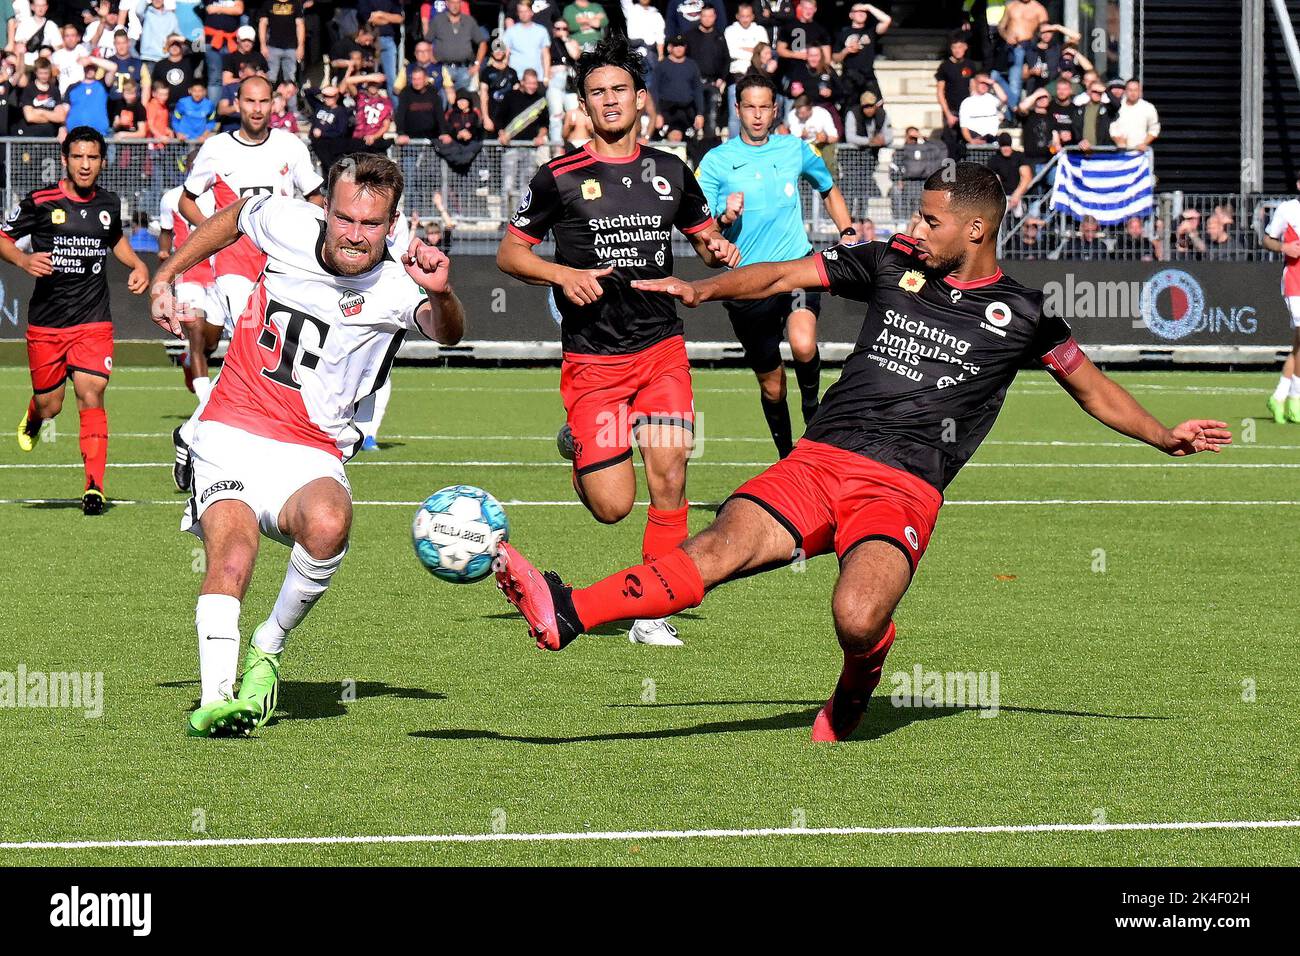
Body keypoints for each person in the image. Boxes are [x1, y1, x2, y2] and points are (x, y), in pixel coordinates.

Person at [493, 162, 1232, 741]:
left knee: (855, 617)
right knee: (717, 547)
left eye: (931, 219)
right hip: (819, 460)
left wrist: (1165, 435)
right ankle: (569, 613)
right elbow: (785, 275)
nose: (916, 226)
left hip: (904, 486)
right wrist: (702, 290)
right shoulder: (888, 262)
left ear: (975, 231)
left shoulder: (1028, 315)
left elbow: (1093, 389)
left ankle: (859, 680)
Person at [149, 153, 465, 736]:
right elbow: (236, 214)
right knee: (233, 558)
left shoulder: (398, 284)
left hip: (311, 447)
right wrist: (168, 274)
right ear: (326, 210)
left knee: (328, 522)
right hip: (231, 429)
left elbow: (447, 333)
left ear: (392, 226)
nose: (355, 235)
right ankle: (218, 701)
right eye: (345, 218)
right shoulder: (290, 223)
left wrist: (443, 295)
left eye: (372, 225)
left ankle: (267, 648)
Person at [496, 34, 740, 647]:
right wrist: (561, 274)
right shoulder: (559, 176)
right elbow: (509, 252)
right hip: (594, 362)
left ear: (639, 99)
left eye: (619, 90)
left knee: (672, 470)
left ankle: (650, 612)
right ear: (583, 105)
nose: (609, 100)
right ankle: (578, 450)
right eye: (597, 92)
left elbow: (704, 236)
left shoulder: (671, 171)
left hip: (660, 348)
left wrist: (716, 248)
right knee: (612, 506)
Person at [172, 75, 325, 491]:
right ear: (236, 102)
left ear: (274, 103)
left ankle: (191, 433)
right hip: (235, 266)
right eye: (249, 101)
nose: (257, 109)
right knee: (259, 348)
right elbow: (188, 198)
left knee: (265, 358)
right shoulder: (217, 149)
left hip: (281, 265)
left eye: (264, 101)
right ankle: (252, 444)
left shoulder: (290, 147)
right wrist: (216, 231)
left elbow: (314, 196)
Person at [697, 71, 852, 457]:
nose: (757, 115)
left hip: (797, 268)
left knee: (803, 344)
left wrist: (847, 230)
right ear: (737, 109)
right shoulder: (717, 162)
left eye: (764, 107)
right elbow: (701, 231)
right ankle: (788, 457)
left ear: (775, 110)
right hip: (747, 283)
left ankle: (813, 411)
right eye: (749, 106)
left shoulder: (795, 149)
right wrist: (724, 221)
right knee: (772, 386)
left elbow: (828, 189)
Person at [3, 127, 149, 514]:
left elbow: (114, 237)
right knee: (52, 406)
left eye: (93, 158)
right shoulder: (40, 200)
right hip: (47, 324)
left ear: (103, 161)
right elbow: (2, 236)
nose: (86, 165)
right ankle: (36, 413)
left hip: (93, 320)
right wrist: (22, 259)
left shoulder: (109, 202)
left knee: (92, 392)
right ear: (65, 159)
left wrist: (136, 263)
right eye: (79, 157)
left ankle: (94, 486)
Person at [158, 150, 221, 396]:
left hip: (217, 274)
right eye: (194, 165)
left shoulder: (220, 197)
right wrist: (164, 252)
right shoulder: (172, 198)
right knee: (194, 331)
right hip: (188, 273)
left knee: (211, 342)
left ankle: (188, 362)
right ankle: (205, 405)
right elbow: (165, 232)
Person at [1262, 185, 1300, 424]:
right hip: (1296, 280)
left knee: (1298, 344)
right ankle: (1295, 398)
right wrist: (1284, 247)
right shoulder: (1288, 209)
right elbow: (1267, 239)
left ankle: (1280, 396)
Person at [259, 0, 306, 87]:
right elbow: (263, 24)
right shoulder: (268, 3)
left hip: (291, 48)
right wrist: (263, 45)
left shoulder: (295, 3)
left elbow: (300, 25)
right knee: (270, 80)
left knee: (290, 81)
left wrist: (300, 46)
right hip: (272, 47)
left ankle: (290, 100)